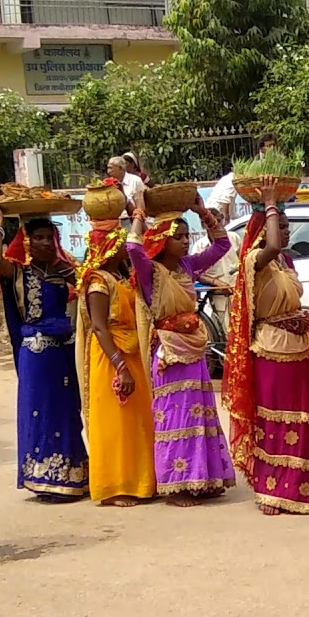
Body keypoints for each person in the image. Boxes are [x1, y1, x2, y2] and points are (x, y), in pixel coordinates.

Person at [223, 177, 309, 515]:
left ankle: (307, 490)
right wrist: (270, 204)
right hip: (272, 352)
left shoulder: (285, 262)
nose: (285, 233)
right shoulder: (255, 260)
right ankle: (274, 492)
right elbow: (270, 244)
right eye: (280, 227)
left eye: (286, 227)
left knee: (305, 418)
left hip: (299, 351)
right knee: (276, 421)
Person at [127, 196, 235, 507]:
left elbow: (222, 246)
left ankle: (203, 478)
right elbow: (133, 248)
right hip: (169, 352)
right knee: (173, 417)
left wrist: (203, 213)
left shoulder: (188, 266)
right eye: (179, 237)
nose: (186, 241)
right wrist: (139, 214)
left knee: (200, 413)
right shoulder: (150, 271)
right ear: (163, 240)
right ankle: (176, 486)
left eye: (188, 235)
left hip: (194, 348)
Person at [0, 210, 88, 501]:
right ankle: (43, 478)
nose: (45, 243)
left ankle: (73, 475)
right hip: (37, 353)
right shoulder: (19, 273)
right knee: (41, 411)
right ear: (28, 242)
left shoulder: (61, 273)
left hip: (64, 351)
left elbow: (85, 281)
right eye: (39, 238)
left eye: (50, 238)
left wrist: (60, 260)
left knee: (67, 411)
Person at [75, 214, 155, 507]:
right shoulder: (98, 282)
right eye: (121, 242)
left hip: (131, 353)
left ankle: (140, 481)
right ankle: (115, 488)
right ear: (110, 247)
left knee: (136, 421)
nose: (126, 247)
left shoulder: (121, 277)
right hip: (111, 359)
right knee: (115, 423)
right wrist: (120, 367)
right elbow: (99, 327)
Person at [189, 200, 243, 329]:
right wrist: (216, 282)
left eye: (219, 221)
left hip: (238, 290)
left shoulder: (233, 237)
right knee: (225, 330)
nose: (216, 225)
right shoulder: (199, 246)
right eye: (212, 222)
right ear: (203, 225)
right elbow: (196, 273)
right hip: (218, 296)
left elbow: (244, 260)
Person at [207, 134, 278, 220]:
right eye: (268, 146)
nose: (272, 148)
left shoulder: (280, 163)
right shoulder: (256, 166)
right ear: (262, 149)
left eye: (273, 145)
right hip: (261, 205)